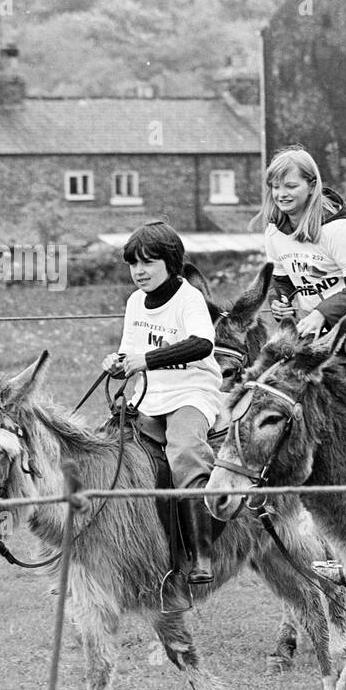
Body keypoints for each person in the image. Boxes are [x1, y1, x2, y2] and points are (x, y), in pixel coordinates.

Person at [103, 220, 223, 585]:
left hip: (191, 392)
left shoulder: (189, 299)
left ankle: (202, 555)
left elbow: (203, 344)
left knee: (185, 452)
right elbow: (130, 353)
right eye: (133, 264)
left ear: (171, 262)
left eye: (148, 263)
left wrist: (148, 360)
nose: (139, 272)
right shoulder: (135, 302)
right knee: (109, 448)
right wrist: (117, 363)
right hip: (150, 396)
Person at [259, 146, 346, 426]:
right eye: (275, 187)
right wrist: (281, 301)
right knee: (279, 378)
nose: (281, 194)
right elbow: (282, 280)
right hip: (316, 329)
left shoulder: (338, 229)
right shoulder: (274, 233)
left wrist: (322, 313)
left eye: (290, 186)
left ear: (312, 186)